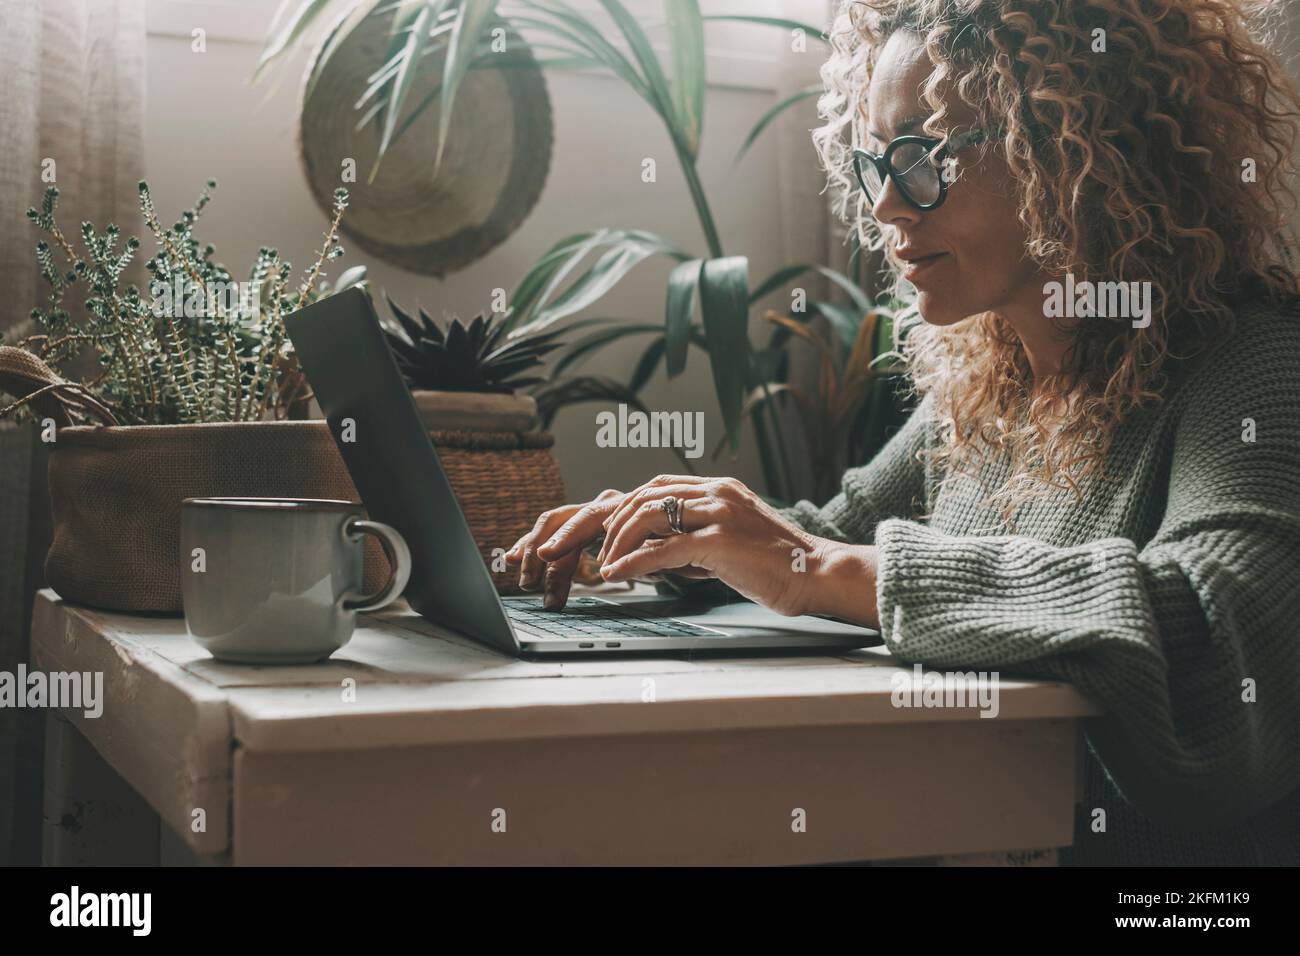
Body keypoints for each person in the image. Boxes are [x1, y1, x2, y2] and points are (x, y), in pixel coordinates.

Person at [506, 0, 1300, 865]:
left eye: (924, 157)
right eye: (876, 161)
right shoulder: (985, 379)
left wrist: (819, 569)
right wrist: (674, 533)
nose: (887, 203)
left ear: (1074, 150)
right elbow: (831, 533)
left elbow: (1224, 637)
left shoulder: (1255, 364)